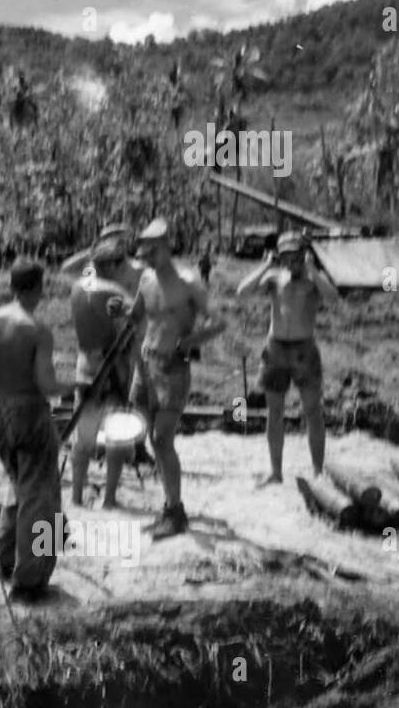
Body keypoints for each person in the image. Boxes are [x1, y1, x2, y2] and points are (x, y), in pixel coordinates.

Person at [0, 261, 70, 600]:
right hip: (30, 414)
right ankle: (30, 581)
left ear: (11, 286)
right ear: (38, 288)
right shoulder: (37, 329)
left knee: (19, 487)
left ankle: (2, 561)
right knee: (42, 498)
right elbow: (47, 386)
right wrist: (77, 382)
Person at [120, 219, 226, 540]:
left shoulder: (190, 281)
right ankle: (169, 507)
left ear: (166, 248)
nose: (147, 259)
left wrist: (189, 342)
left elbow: (218, 321)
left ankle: (176, 511)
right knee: (152, 438)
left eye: (152, 252)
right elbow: (137, 315)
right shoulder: (147, 278)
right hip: (145, 366)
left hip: (173, 368)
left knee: (163, 438)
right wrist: (120, 309)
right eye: (144, 254)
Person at [236, 231, 338, 484]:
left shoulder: (314, 279)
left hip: (304, 350)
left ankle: (317, 470)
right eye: (286, 257)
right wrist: (265, 265)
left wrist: (312, 270)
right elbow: (241, 291)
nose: (291, 262)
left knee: (313, 410)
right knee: (275, 411)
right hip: (276, 349)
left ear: (303, 255)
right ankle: (276, 471)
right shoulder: (274, 277)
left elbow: (334, 297)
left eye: (295, 256)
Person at [67, 239, 136, 508]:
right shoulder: (112, 290)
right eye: (119, 264)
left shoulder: (77, 287)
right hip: (111, 367)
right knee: (116, 438)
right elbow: (138, 316)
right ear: (111, 265)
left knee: (82, 439)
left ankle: (75, 497)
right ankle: (109, 498)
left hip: (84, 364)